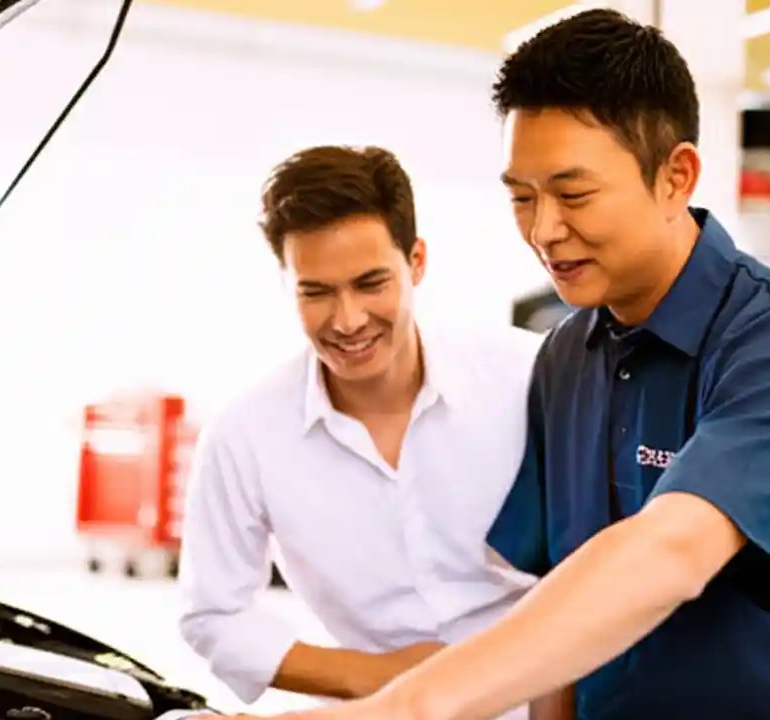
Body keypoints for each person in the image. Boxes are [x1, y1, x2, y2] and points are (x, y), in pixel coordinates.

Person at [262, 9, 770, 720]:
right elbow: (561, 599)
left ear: (676, 177)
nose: (543, 230)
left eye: (573, 194)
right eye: (521, 198)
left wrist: (397, 709)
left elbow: (669, 553)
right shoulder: (566, 352)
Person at [176, 145, 557, 719]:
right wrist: (375, 676)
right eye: (316, 292)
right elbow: (213, 615)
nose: (348, 319)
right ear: (287, 283)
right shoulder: (245, 435)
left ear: (417, 262)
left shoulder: (532, 378)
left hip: (547, 699)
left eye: (370, 283)